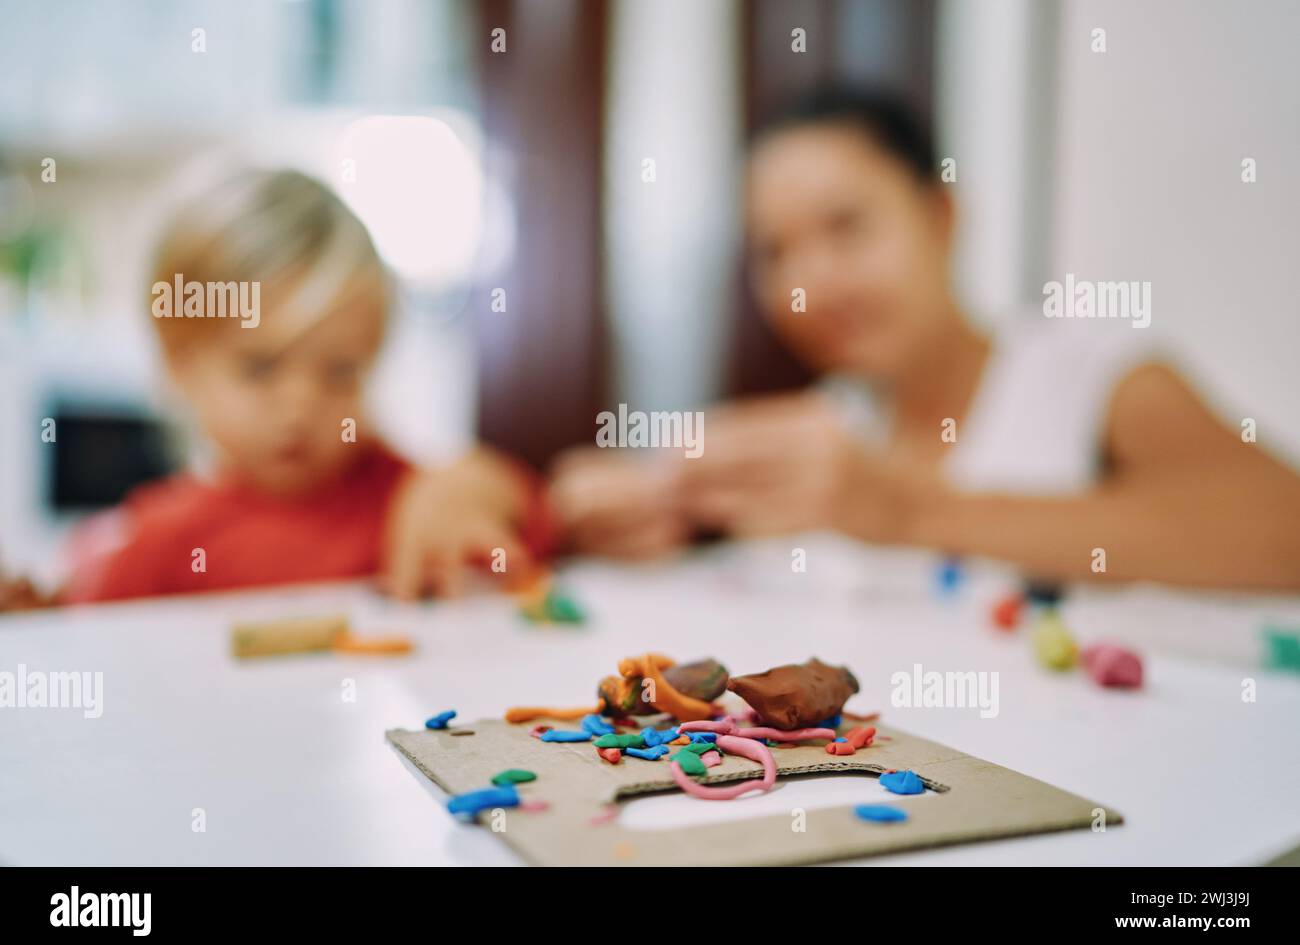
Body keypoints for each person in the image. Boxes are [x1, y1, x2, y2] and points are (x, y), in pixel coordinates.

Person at [552, 90, 1300, 590]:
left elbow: (1284, 533)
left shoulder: (1096, 378)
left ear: (941, 218)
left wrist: (908, 513)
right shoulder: (838, 418)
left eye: (847, 227)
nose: (810, 284)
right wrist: (660, 515)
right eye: (775, 252)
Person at [65, 168, 548, 603]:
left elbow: (538, 522)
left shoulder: (403, 500)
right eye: (261, 368)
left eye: (341, 372)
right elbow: (92, 649)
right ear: (180, 363)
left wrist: (475, 488)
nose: (301, 405)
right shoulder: (157, 545)